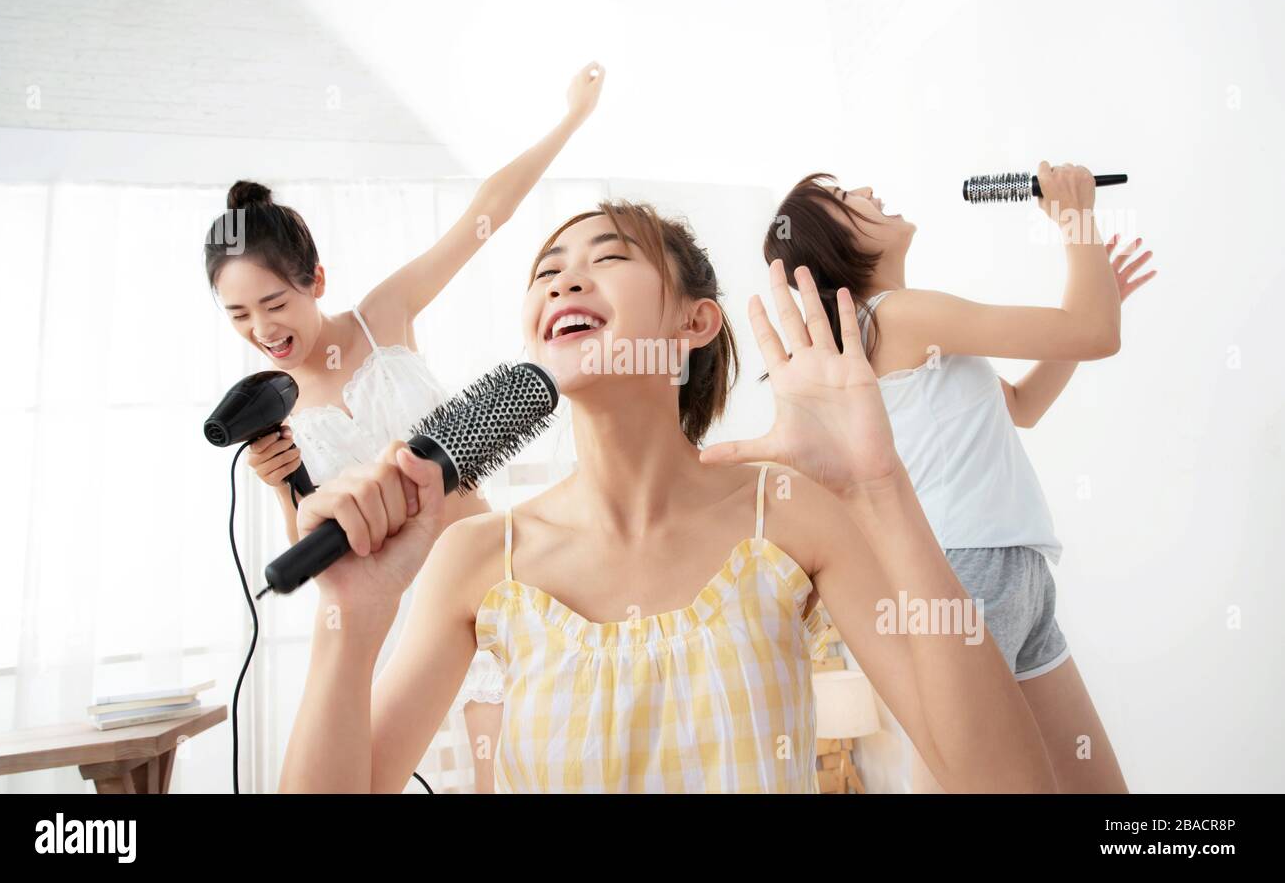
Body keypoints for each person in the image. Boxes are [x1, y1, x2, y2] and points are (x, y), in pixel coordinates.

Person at [278, 200, 1055, 793]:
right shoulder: (478, 557)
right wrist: (348, 620)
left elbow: (1004, 786)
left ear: (694, 323)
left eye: (606, 258)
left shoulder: (787, 515)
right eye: (546, 271)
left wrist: (877, 486)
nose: (563, 280)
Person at [204, 61, 605, 792]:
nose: (263, 329)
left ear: (314, 280)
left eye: (275, 303)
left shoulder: (381, 316)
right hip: (404, 622)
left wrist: (570, 120)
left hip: (496, 573)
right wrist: (278, 486)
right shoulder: (272, 409)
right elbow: (318, 554)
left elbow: (487, 213)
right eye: (239, 317)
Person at [761, 162, 1154, 792]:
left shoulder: (898, 332)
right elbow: (1092, 332)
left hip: (1015, 574)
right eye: (841, 198)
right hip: (965, 574)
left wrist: (1095, 306)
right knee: (970, 779)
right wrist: (1076, 220)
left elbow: (1022, 406)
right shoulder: (900, 316)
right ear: (829, 243)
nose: (866, 190)